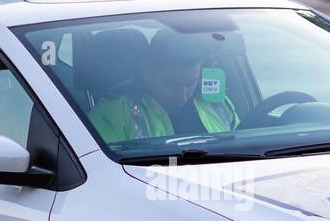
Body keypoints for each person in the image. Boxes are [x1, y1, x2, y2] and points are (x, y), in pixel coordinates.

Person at [88, 30, 240, 143]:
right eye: (171, 84)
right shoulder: (111, 114)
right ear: (147, 72)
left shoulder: (217, 104)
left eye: (191, 83)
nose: (182, 95)